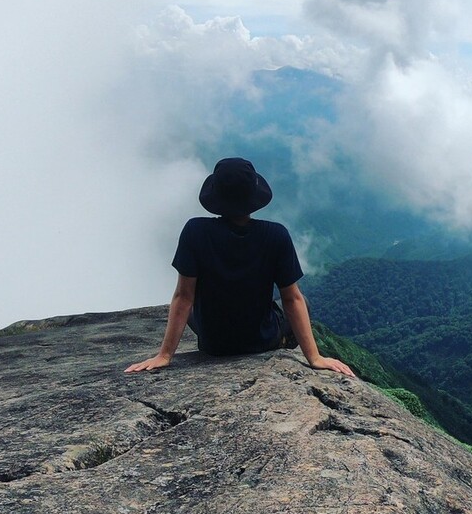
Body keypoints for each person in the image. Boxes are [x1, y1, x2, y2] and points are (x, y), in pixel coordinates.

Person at [126, 158, 355, 376]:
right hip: (261, 341)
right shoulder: (276, 235)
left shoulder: (194, 231)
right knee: (303, 301)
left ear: (215, 195)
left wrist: (165, 355)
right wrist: (314, 358)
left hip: (213, 344)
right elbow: (291, 299)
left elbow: (184, 297)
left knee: (192, 307)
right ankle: (283, 342)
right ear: (253, 196)